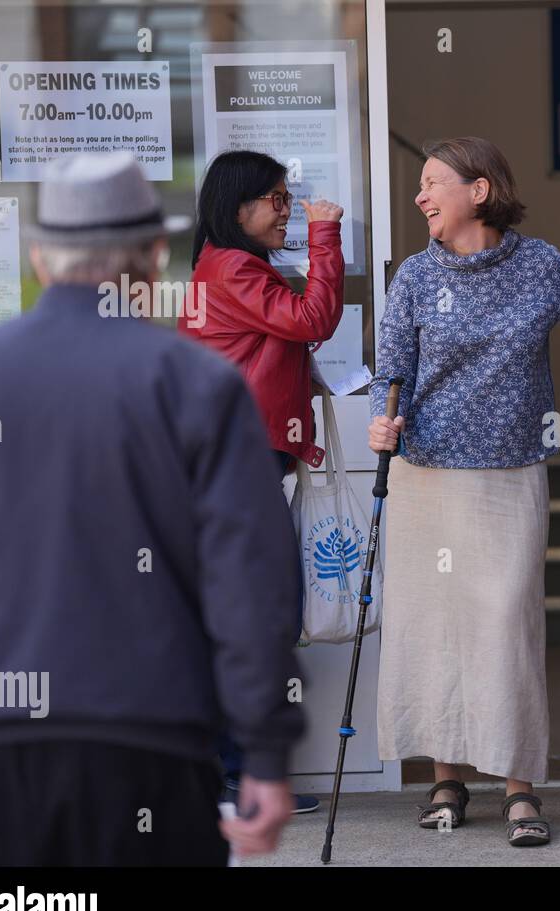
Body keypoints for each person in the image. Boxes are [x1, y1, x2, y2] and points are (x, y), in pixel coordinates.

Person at [0, 151, 304, 865]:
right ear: (155, 256)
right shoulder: (197, 384)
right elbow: (251, 580)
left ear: (40, 257)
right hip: (154, 742)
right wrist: (264, 752)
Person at [366, 136, 560, 847]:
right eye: (420, 185)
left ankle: (519, 787)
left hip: (509, 476)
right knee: (435, 629)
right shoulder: (413, 275)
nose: (420, 196)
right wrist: (384, 419)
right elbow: (391, 369)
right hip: (426, 474)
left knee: (504, 627)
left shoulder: (540, 265)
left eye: (432, 182)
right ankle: (446, 780)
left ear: (479, 190)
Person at [182, 149, 346, 814]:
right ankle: (233, 779)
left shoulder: (233, 268)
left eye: (288, 197)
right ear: (237, 206)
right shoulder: (232, 269)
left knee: (247, 623)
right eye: (275, 199)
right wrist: (326, 234)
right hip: (234, 470)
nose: (286, 210)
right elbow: (311, 319)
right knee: (248, 626)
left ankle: (238, 775)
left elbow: (286, 336)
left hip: (236, 466)